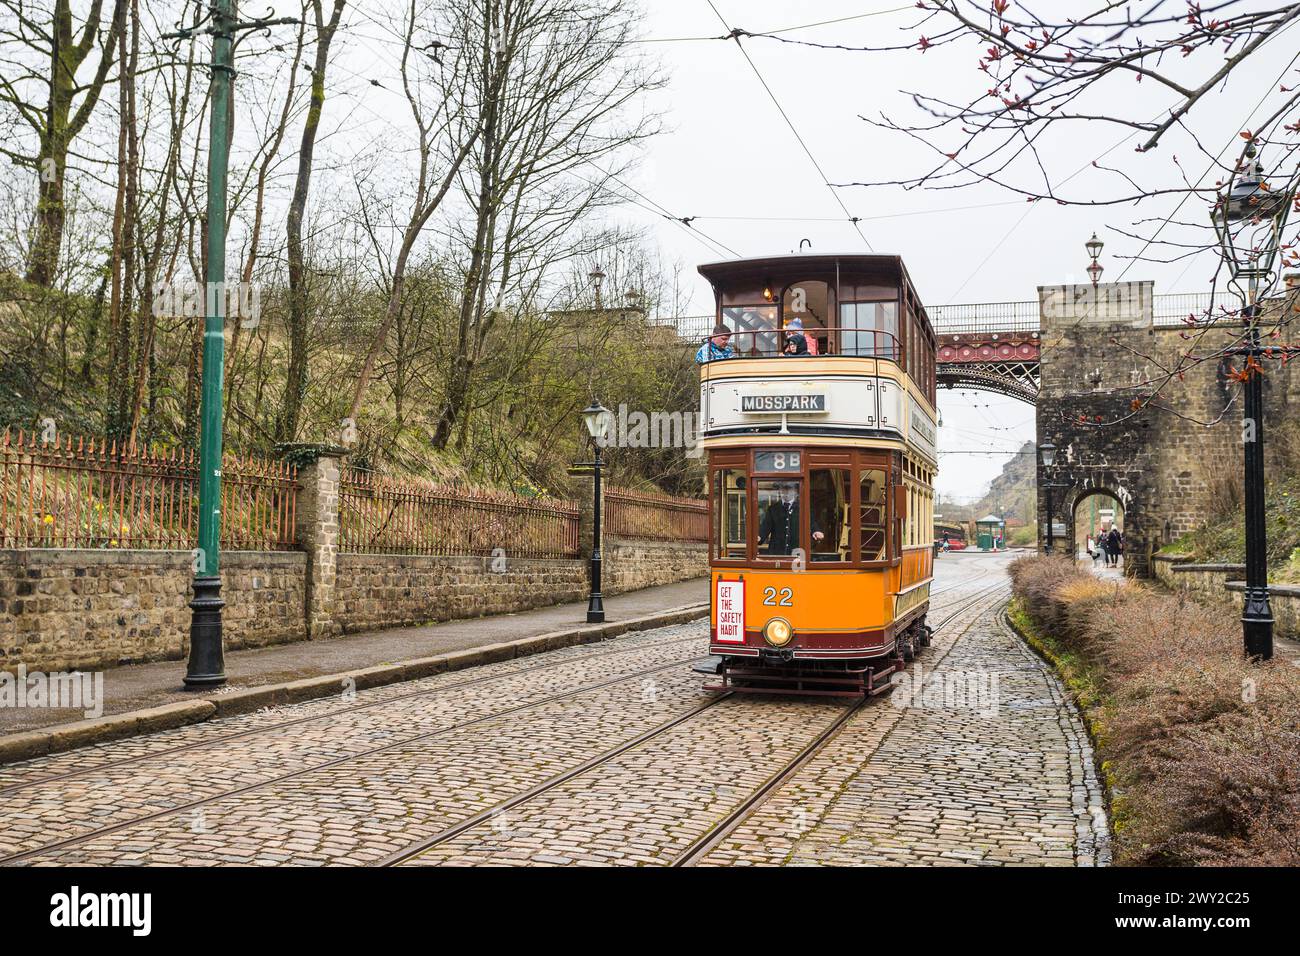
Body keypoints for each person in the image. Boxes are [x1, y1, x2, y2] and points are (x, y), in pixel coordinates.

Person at [757, 482, 823, 556]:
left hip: (797, 553)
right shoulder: (773, 509)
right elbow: (765, 527)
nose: (786, 492)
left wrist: (816, 532)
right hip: (776, 554)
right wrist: (759, 537)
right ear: (780, 491)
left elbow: (812, 524)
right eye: (784, 489)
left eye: (790, 489)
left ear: (796, 492)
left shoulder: (804, 509)